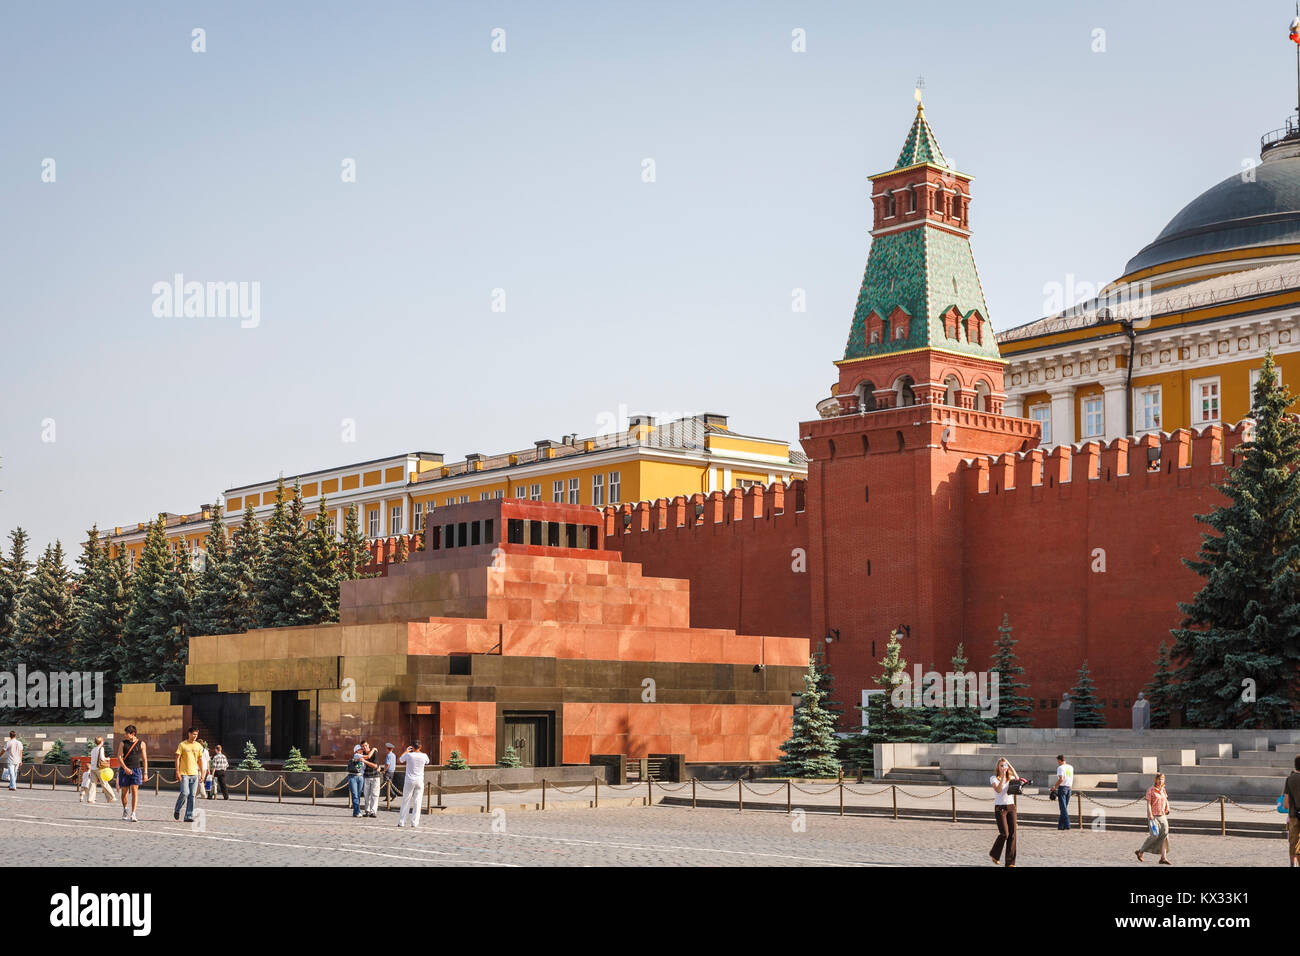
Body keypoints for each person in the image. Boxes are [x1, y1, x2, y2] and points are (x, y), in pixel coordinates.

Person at [1135, 772, 1171, 864]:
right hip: (1153, 816)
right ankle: (1140, 851)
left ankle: (1163, 858)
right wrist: (1150, 814)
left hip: (1162, 815)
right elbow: (1148, 803)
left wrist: (1168, 809)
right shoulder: (1151, 790)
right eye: (1159, 779)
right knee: (1154, 835)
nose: (1160, 781)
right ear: (1155, 780)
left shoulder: (1163, 790)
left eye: (1162, 779)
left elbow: (1166, 800)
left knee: (1165, 835)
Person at [989, 757, 1018, 867]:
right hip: (1000, 808)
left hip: (1011, 807)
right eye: (1001, 765)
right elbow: (999, 790)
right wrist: (1002, 777)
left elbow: (1018, 778)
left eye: (1004, 765)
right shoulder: (993, 778)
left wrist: (1009, 765)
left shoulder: (1009, 777)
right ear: (998, 767)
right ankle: (994, 854)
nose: (1003, 767)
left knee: (1013, 835)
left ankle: (1010, 863)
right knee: (1004, 834)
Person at [396, 741, 430, 829]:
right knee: (417, 802)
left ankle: (402, 822)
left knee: (406, 801)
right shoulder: (424, 755)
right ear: (421, 747)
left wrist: (406, 751)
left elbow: (400, 759)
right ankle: (414, 822)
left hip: (409, 780)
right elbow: (427, 762)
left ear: (412, 747)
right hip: (419, 780)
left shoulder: (409, 755)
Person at [117, 725, 148, 823]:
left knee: (135, 791)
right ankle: (125, 809)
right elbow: (119, 757)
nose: (125, 735)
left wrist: (145, 772)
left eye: (127, 733)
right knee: (124, 792)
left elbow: (144, 759)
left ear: (133, 734)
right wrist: (125, 768)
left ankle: (133, 813)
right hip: (124, 770)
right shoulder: (123, 743)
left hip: (136, 770)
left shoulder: (141, 743)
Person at [174, 727, 203, 823]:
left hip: (195, 774)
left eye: (196, 734)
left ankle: (188, 816)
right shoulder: (182, 745)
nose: (195, 736)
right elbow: (177, 758)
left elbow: (200, 760)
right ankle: (177, 809)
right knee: (185, 793)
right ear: (189, 734)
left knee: (192, 796)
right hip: (184, 774)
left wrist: (202, 773)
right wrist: (177, 772)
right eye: (194, 734)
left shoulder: (198, 746)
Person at [84, 736, 116, 805]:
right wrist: (107, 759)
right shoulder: (101, 748)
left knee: (92, 784)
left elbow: (92, 759)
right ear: (102, 741)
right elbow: (102, 758)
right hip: (100, 768)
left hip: (93, 768)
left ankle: (90, 799)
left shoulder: (93, 749)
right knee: (104, 783)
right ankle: (111, 797)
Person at [1283, 755, 1300, 867]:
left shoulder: (1290, 779)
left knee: (1294, 843)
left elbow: (1285, 803)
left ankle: (1292, 864)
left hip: (1294, 815)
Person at [360, 740, 381, 817]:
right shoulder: (362, 754)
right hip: (366, 776)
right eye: (362, 746)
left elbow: (375, 766)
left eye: (365, 745)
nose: (364, 747)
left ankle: (373, 811)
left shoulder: (374, 753)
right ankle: (367, 811)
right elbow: (367, 757)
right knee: (366, 795)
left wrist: (365, 761)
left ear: (368, 745)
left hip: (375, 776)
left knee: (375, 794)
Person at [1054, 754, 1074, 830]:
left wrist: (1054, 787)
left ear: (1059, 760)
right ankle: (1061, 826)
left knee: (1063, 808)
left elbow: (1061, 779)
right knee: (1064, 807)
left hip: (1062, 788)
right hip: (1069, 788)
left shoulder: (1060, 768)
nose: (1057, 762)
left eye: (1057, 761)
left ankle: (1067, 824)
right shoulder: (1071, 767)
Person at [346, 744, 364, 818]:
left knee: (358, 795)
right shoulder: (356, 756)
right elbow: (364, 757)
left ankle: (355, 811)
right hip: (353, 776)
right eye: (361, 750)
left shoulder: (361, 758)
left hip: (360, 777)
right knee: (355, 795)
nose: (362, 751)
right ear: (357, 751)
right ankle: (357, 812)